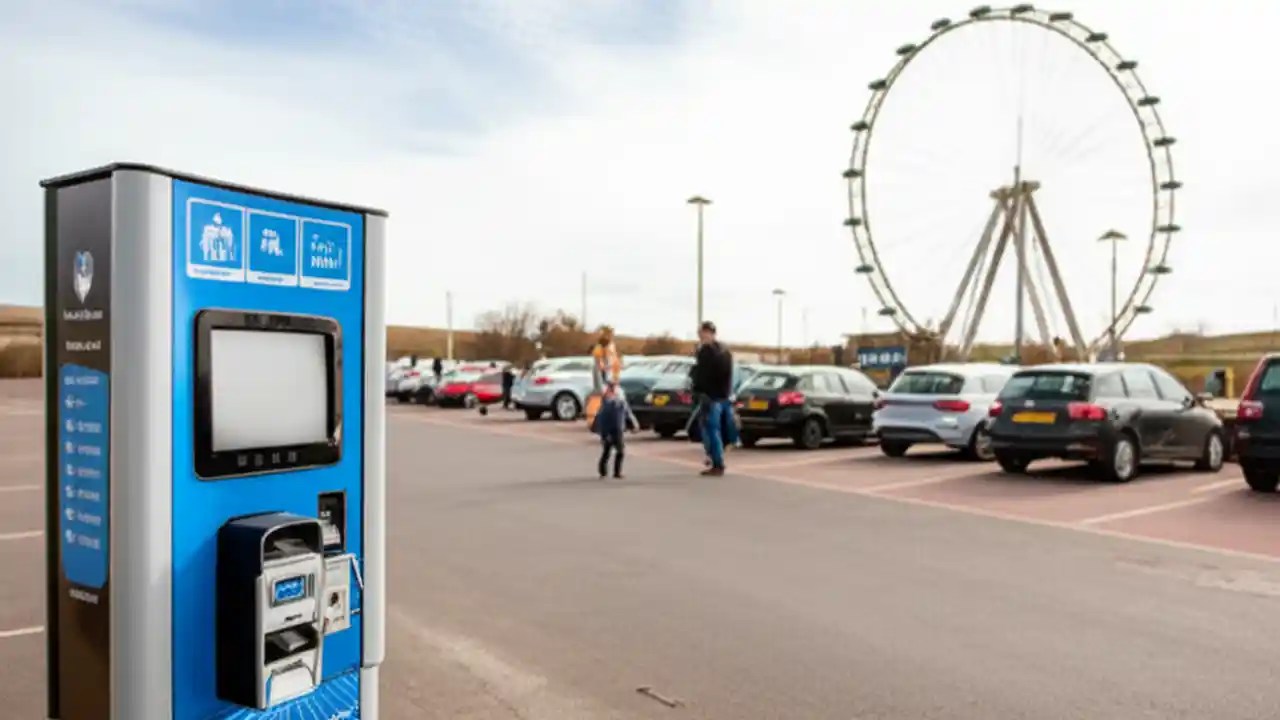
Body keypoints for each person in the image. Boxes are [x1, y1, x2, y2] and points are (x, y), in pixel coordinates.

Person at [691, 321, 733, 476]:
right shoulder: (725, 350)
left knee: (710, 430)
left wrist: (697, 389)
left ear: (706, 332)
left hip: (710, 397)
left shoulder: (706, 351)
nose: (700, 336)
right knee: (715, 429)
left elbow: (702, 375)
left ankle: (717, 462)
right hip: (724, 396)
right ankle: (715, 457)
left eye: (701, 333)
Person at [595, 383, 627, 479]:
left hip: (618, 430)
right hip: (608, 431)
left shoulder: (620, 403)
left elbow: (627, 413)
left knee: (620, 452)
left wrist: (633, 423)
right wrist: (605, 434)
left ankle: (617, 472)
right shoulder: (606, 405)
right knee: (606, 451)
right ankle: (603, 471)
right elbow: (602, 421)